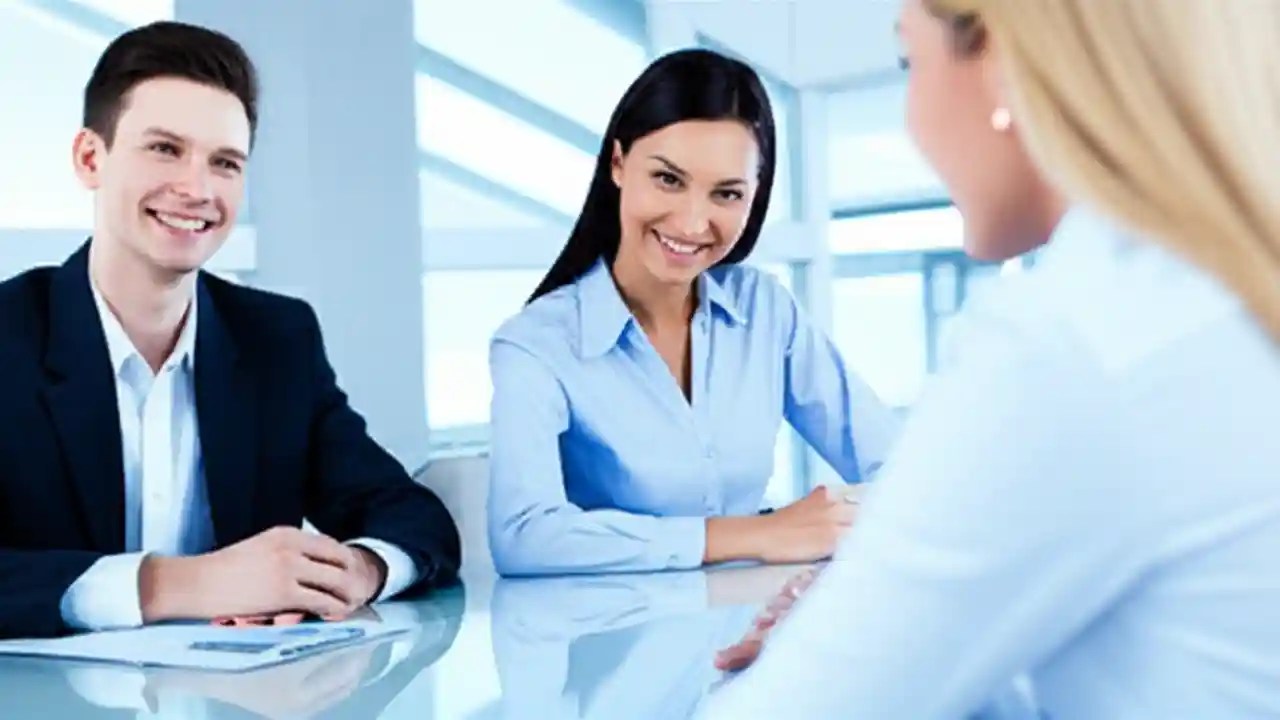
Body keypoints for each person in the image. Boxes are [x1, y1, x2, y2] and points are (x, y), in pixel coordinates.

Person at [701, 0, 1280, 717]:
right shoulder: (1204, 292)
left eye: (911, 63)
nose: (910, 121)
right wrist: (913, 606)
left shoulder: (1071, 343)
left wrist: (871, 618)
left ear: (1002, 61)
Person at [0, 21, 460, 640]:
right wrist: (179, 583)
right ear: (91, 158)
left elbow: (413, 518)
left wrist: (360, 567)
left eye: (224, 163)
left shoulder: (277, 339)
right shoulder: (10, 334)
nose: (196, 189)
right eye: (165, 149)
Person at [486, 49, 901, 576]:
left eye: (726, 193)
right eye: (668, 180)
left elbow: (898, 467)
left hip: (753, 630)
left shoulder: (767, 312)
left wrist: (843, 521)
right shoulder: (536, 344)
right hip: (608, 646)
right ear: (618, 164)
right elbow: (524, 535)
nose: (691, 221)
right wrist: (757, 532)